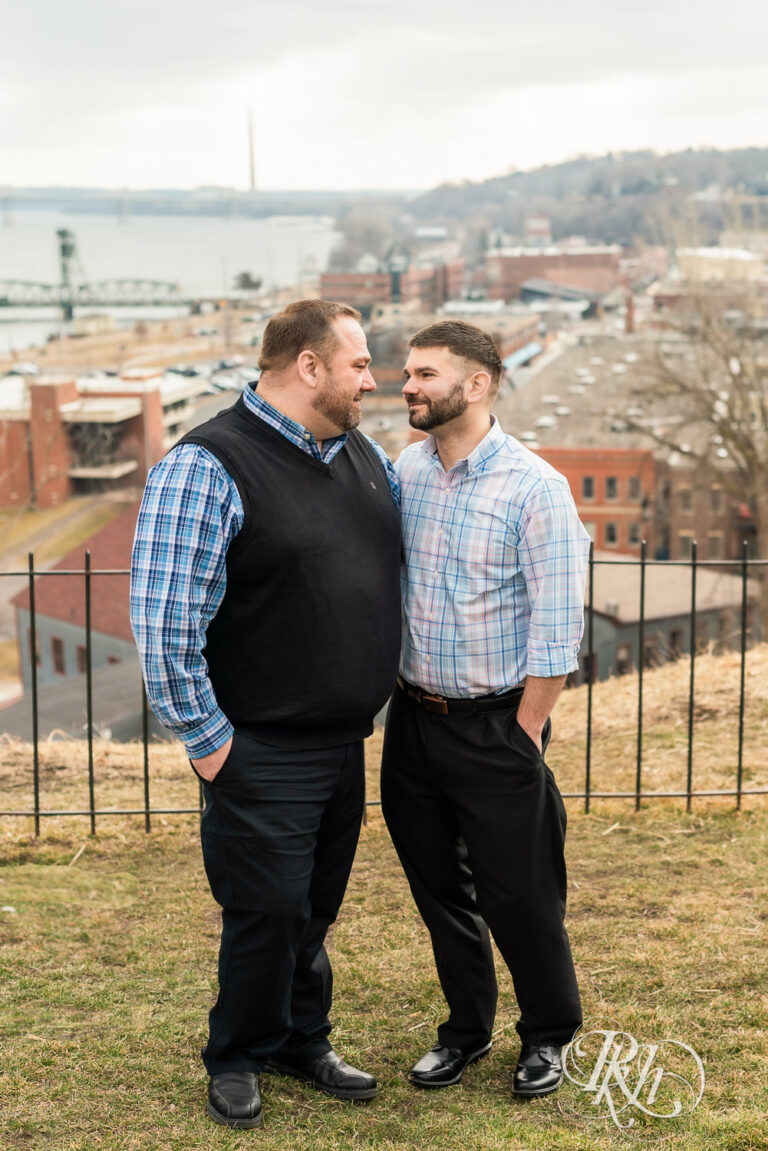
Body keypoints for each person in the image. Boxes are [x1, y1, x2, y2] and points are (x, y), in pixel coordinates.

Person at [130, 299, 401, 1129]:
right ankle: (238, 1052)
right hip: (258, 747)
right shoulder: (208, 463)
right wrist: (217, 752)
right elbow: (164, 625)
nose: (372, 377)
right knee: (266, 908)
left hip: (342, 741)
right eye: (358, 362)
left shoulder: (361, 454)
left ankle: (300, 1039)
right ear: (308, 366)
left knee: (313, 906)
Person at [380, 320, 590, 1098]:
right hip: (413, 721)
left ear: (478, 385)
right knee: (439, 890)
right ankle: (465, 1029)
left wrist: (526, 729)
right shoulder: (409, 468)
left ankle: (548, 1034)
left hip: (497, 724)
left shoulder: (535, 487)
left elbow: (558, 626)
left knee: (521, 893)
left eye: (427, 374)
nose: (410, 385)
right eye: (408, 372)